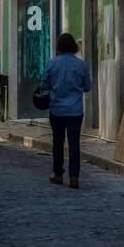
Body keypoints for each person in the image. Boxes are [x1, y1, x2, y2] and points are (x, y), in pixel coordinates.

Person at [39, 32, 92, 188]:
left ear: (59, 47)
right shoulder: (82, 65)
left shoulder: (52, 64)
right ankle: (74, 177)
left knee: (58, 142)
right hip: (75, 111)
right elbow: (88, 87)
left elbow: (43, 85)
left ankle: (58, 174)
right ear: (74, 47)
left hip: (57, 110)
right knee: (74, 144)